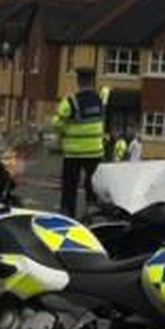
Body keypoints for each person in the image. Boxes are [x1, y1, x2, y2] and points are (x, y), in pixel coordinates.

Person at [51, 67, 110, 218]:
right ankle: (92, 212)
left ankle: (68, 214)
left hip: (73, 153)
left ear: (78, 82)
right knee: (93, 185)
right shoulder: (100, 100)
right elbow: (107, 93)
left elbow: (55, 124)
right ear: (93, 81)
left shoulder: (70, 101)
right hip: (95, 152)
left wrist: (64, 129)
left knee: (69, 187)